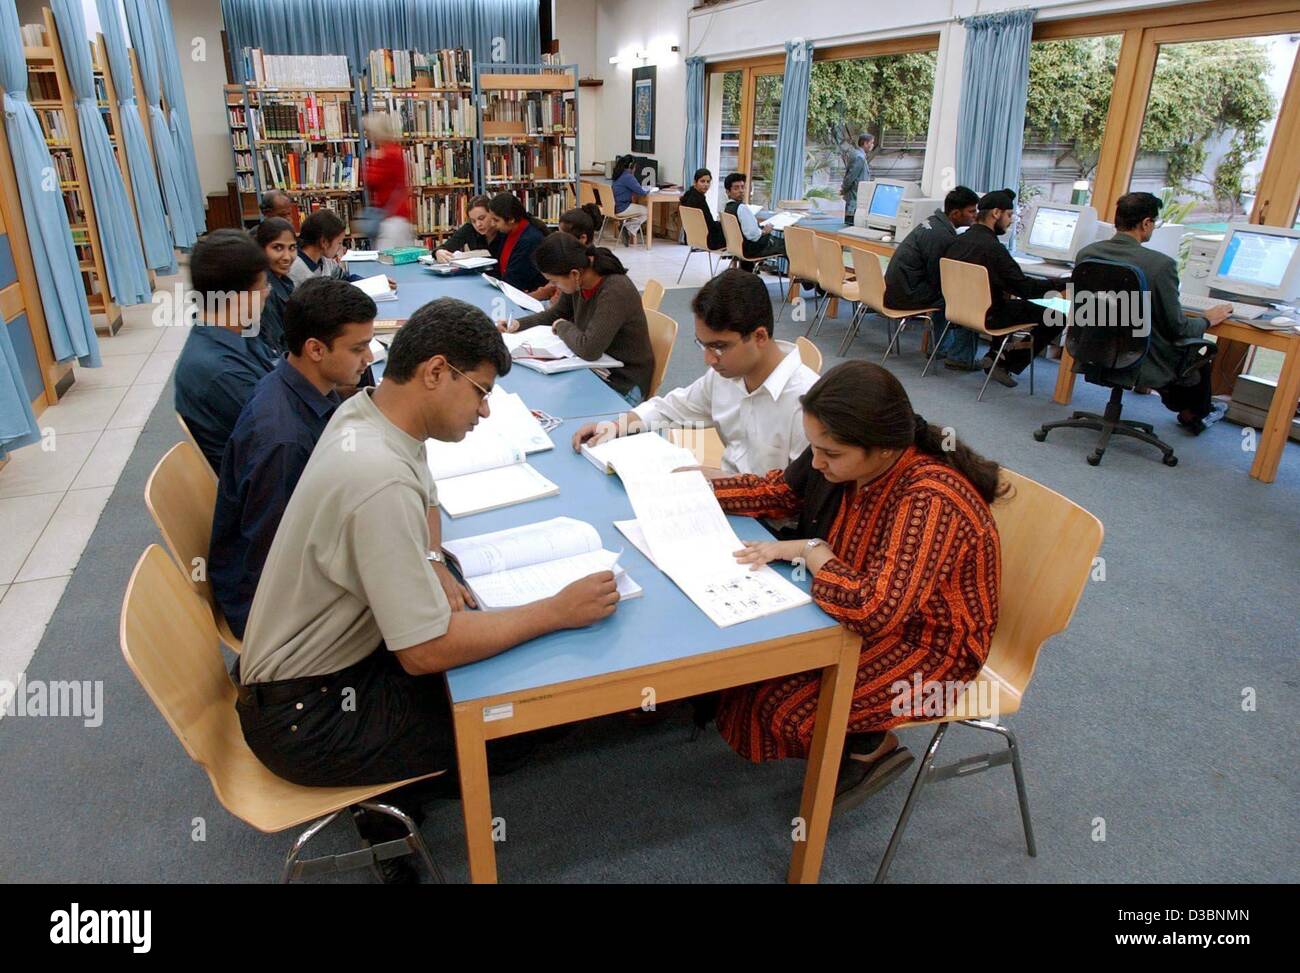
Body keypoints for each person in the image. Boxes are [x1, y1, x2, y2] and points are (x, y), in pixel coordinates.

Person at [235, 298, 619, 881]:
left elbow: (427, 493)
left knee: (478, 638)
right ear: (436, 372)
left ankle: (399, 789)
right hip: (308, 717)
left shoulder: (368, 413)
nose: (485, 411)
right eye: (480, 392)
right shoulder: (376, 478)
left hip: (313, 672)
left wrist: (433, 559)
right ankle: (395, 806)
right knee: (517, 712)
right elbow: (425, 651)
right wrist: (555, 610)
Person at [706, 360, 1002, 812]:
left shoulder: (928, 498)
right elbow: (781, 492)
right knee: (746, 667)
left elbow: (873, 611)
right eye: (814, 447)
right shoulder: (845, 454)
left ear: (883, 448)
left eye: (830, 453)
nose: (817, 462)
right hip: (868, 605)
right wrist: (701, 490)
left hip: (930, 647)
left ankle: (869, 748)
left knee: (779, 704)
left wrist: (813, 553)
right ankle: (854, 739)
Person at [209, 278, 378, 639]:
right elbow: (275, 562)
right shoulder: (283, 443)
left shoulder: (294, 383)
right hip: (273, 613)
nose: (370, 358)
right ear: (316, 349)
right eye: (359, 348)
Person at [571, 269, 817, 475]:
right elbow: (669, 409)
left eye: (719, 347)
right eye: (703, 344)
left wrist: (719, 481)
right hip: (728, 500)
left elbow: (796, 497)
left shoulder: (805, 403)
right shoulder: (725, 376)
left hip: (771, 523)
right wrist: (615, 426)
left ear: (759, 336)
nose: (708, 359)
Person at [1074, 191, 1231, 434]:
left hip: (1092, 348)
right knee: (1198, 354)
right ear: (1146, 223)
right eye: (1154, 223)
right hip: (1138, 357)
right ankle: (1193, 416)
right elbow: (1177, 327)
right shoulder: (1160, 265)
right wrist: (1206, 319)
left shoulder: (1087, 255)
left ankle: (1186, 408)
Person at [498, 233, 653, 404]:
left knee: (553, 406)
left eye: (554, 282)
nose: (554, 287)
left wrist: (563, 326)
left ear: (574, 274)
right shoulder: (579, 278)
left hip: (623, 381)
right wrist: (518, 324)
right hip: (594, 369)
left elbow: (589, 349)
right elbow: (556, 314)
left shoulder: (615, 290)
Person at [941, 188, 1067, 388]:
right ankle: (1004, 362)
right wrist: (1061, 284)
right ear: (996, 214)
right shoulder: (994, 249)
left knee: (1005, 299)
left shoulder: (958, 240)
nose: (1010, 221)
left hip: (958, 311)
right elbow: (1025, 289)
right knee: (1058, 316)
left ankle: (994, 355)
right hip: (989, 315)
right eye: (1009, 215)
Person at [174, 230, 277, 470]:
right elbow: (281, 431)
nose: (267, 294)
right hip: (262, 483)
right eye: (263, 287)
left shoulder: (238, 332)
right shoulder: (219, 370)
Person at [884, 186, 981, 370]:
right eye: (971, 211)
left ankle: (940, 347)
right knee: (968, 300)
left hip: (899, 289)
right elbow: (939, 279)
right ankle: (960, 357)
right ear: (955, 213)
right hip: (906, 295)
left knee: (946, 294)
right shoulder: (942, 237)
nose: (975, 215)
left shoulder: (934, 222)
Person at [362, 112, 413, 251]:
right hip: (396, 216)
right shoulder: (393, 151)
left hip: (392, 218)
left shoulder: (388, 154)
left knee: (387, 260)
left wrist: (370, 161)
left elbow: (371, 180)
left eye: (369, 131)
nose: (368, 135)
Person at [486, 192, 550, 298]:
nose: (492, 224)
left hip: (528, 295)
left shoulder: (530, 240)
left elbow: (516, 278)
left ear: (511, 219)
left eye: (496, 220)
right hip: (511, 290)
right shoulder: (507, 232)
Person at [252, 218, 297, 357]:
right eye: (278, 248)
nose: (287, 257)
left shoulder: (284, 281)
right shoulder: (265, 292)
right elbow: (276, 347)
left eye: (292, 248)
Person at [723, 173, 785, 269]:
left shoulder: (728, 208)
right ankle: (803, 281)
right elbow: (752, 235)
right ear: (728, 192)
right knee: (789, 246)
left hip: (739, 248)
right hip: (752, 249)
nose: (741, 191)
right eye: (736, 188)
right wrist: (764, 231)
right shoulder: (741, 208)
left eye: (742, 187)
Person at [289, 209, 360, 286]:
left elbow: (344, 278)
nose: (341, 247)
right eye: (339, 243)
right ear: (324, 242)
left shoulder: (324, 260)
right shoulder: (295, 269)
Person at [434, 194, 495, 262]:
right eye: (473, 221)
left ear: (492, 214)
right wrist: (439, 252)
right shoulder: (469, 228)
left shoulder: (502, 229)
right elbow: (446, 246)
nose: (478, 224)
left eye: (481, 218)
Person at [679, 168, 725, 251]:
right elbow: (710, 224)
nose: (706, 184)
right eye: (702, 181)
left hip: (691, 238)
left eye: (708, 182)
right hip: (707, 240)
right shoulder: (698, 200)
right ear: (695, 182)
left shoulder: (688, 195)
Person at [610, 154, 649, 241]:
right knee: (648, 211)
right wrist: (650, 190)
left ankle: (627, 227)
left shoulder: (618, 174)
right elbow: (642, 192)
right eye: (635, 167)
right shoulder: (628, 177)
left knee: (639, 210)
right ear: (631, 166)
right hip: (622, 208)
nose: (635, 169)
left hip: (614, 207)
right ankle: (628, 228)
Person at [841, 133, 874, 226]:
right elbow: (851, 176)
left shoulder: (856, 154)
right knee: (851, 225)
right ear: (865, 143)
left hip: (855, 197)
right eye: (871, 143)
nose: (872, 146)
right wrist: (844, 189)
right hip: (855, 198)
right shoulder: (859, 157)